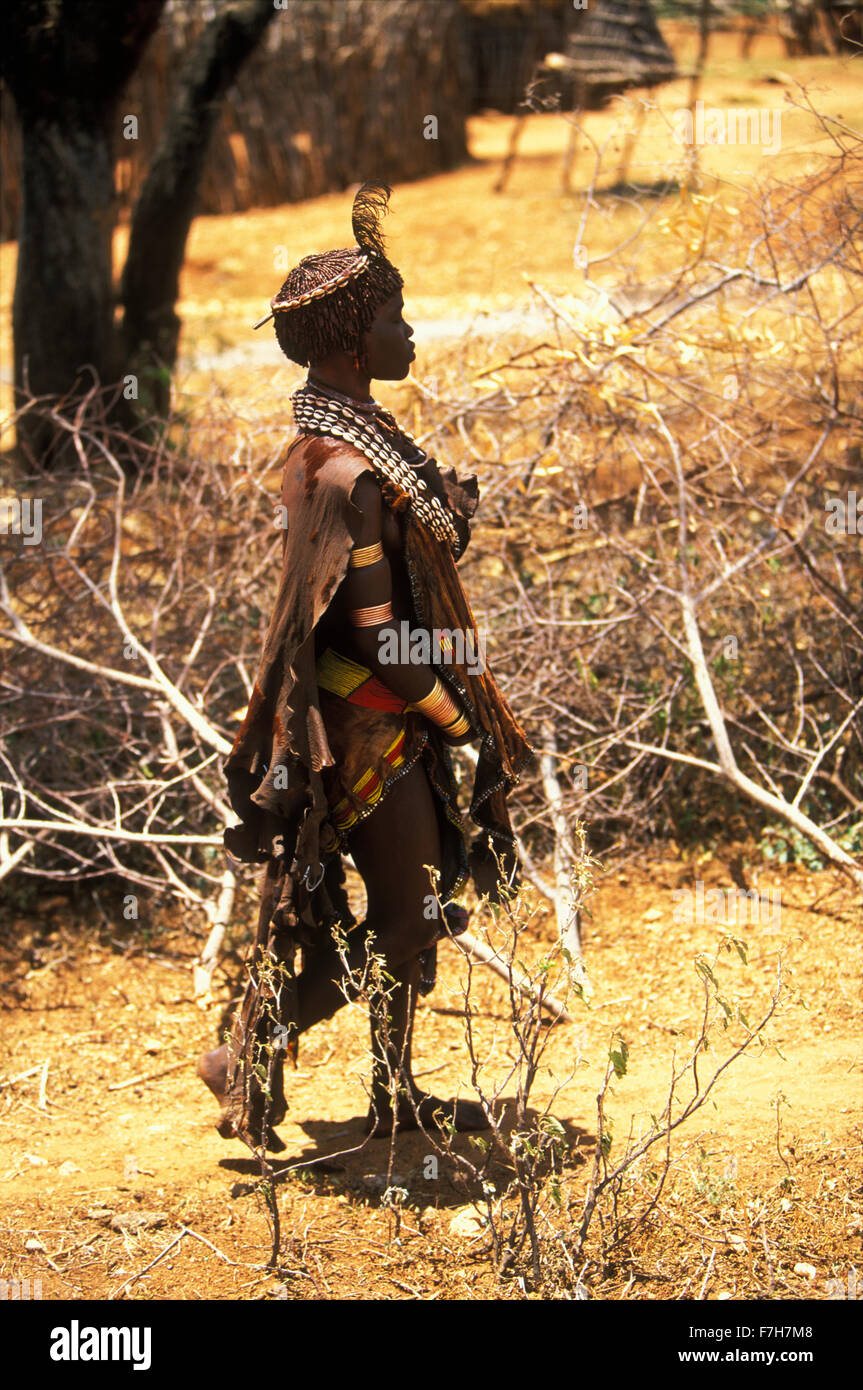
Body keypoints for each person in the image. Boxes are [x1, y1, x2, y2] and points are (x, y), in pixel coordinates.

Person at [197, 183, 532, 1150]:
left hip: (381, 711)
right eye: (394, 317)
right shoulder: (348, 471)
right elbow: (378, 632)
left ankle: (391, 1091)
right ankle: (254, 1050)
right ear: (351, 346)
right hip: (369, 721)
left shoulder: (341, 448)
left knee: (410, 910)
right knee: (403, 917)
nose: (410, 330)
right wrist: (460, 721)